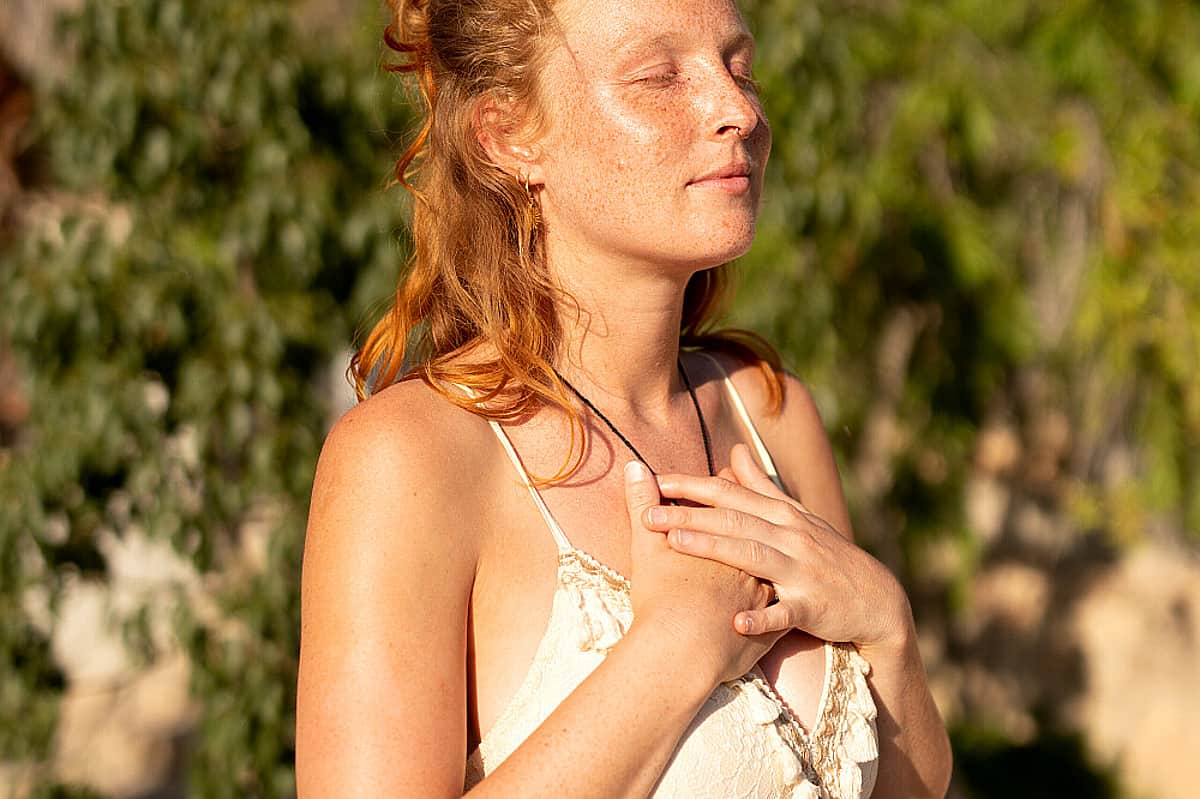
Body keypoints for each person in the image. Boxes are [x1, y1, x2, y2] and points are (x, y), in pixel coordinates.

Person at [295, 0, 953, 795]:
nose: (737, 110)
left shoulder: (767, 413)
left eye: (738, 66)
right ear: (509, 137)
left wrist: (888, 625)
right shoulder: (409, 459)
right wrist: (674, 648)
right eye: (658, 77)